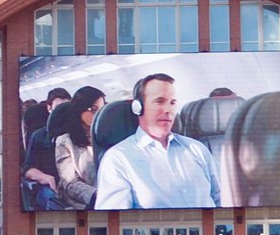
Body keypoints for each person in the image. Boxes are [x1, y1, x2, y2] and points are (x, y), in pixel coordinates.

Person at [95, 74, 221, 209]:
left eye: (172, 102)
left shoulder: (197, 149)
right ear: (138, 107)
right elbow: (115, 221)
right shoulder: (118, 159)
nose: (168, 110)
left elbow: (221, 198)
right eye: (159, 101)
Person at [54, 86, 105, 209]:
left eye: (102, 110)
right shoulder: (65, 142)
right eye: (93, 109)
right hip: (86, 203)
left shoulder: (110, 136)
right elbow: (70, 183)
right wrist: (97, 195)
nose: (99, 115)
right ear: (79, 110)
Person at [21, 88, 71, 210]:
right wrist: (46, 178)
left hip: (71, 185)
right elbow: (28, 169)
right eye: (59, 108)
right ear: (49, 108)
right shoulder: (39, 136)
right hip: (49, 186)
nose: (63, 113)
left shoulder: (75, 134)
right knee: (55, 202)